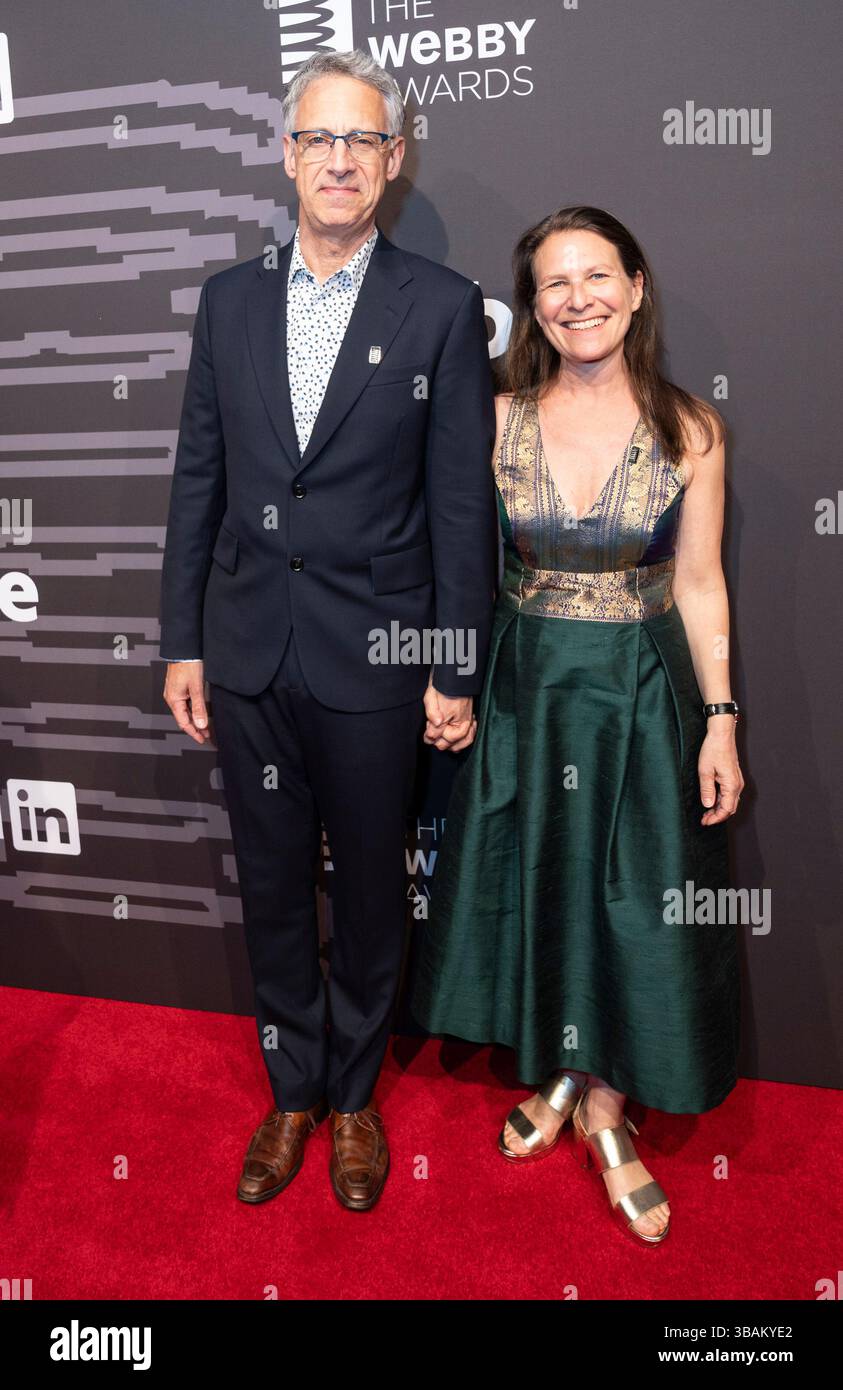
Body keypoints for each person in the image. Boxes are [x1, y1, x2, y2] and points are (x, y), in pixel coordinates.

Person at [158, 50, 498, 1210]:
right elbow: (197, 478)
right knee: (267, 885)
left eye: (363, 142)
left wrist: (456, 661)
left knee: (365, 896)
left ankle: (352, 1099)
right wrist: (183, 640)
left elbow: (462, 506)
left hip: (382, 663)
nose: (340, 160)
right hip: (250, 654)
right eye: (319, 139)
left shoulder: (443, 312)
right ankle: (289, 1087)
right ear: (287, 153)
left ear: (393, 162)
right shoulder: (229, 300)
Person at [411, 205, 745, 1245]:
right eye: (554, 284)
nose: (577, 298)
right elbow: (456, 566)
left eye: (597, 275)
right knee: (540, 880)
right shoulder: (495, 419)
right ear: (533, 308)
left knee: (634, 897)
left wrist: (722, 719)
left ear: (636, 288)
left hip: (643, 698)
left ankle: (609, 1110)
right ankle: (559, 1072)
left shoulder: (691, 429)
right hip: (524, 686)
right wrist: (448, 674)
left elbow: (698, 584)